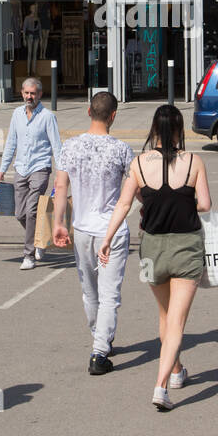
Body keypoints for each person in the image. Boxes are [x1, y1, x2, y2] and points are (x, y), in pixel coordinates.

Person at [100, 105, 212, 411]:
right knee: (176, 321)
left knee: (164, 314)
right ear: (178, 130)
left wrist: (107, 239)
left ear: (153, 129)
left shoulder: (138, 164)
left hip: (151, 248)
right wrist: (182, 203)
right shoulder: (193, 161)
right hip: (186, 247)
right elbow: (204, 204)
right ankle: (161, 386)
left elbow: (124, 204)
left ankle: (176, 370)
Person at [51, 91, 136, 376]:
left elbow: (60, 188)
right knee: (110, 293)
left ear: (89, 112)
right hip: (111, 230)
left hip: (83, 228)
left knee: (90, 292)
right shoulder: (122, 149)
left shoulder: (70, 146)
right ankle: (100, 350)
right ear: (113, 116)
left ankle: (99, 337)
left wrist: (58, 222)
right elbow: (135, 189)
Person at [0, 77, 63, 270]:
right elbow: (11, 142)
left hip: (40, 168)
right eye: (26, 93)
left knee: (32, 210)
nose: (29, 96)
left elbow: (57, 147)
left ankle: (29, 255)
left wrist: (61, 174)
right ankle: (39, 239)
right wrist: (3, 168)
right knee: (19, 214)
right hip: (21, 168)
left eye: (33, 93)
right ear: (21, 93)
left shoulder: (48, 116)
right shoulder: (17, 114)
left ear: (40, 95)